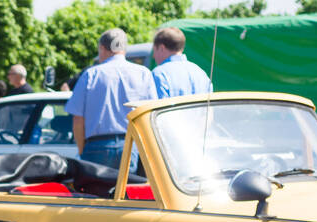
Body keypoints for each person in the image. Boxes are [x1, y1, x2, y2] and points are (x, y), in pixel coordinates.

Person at [65, 28, 157, 170]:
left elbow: (77, 121)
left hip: (96, 146)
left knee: (95, 191)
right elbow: (150, 116)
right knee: (124, 191)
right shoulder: (143, 73)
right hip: (129, 144)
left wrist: (82, 150)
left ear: (102, 48)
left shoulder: (90, 75)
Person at [152, 27, 212, 99]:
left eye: (154, 50)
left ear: (162, 48)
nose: (153, 56)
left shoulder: (159, 74)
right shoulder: (201, 73)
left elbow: (157, 108)